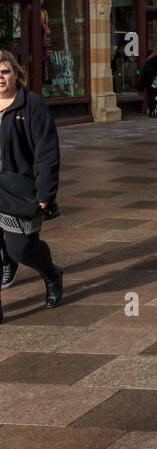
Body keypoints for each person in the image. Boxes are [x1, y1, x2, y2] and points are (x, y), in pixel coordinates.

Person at [0, 49, 63, 322]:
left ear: (16, 73)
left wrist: (46, 193)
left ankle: (50, 273)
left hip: (19, 189)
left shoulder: (31, 105)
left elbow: (46, 152)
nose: (0, 77)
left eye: (4, 71)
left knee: (22, 248)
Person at [138, 44, 157, 116]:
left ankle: (152, 110)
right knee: (154, 95)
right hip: (153, 79)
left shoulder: (153, 57)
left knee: (150, 94)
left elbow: (156, 68)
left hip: (147, 78)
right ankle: (152, 111)